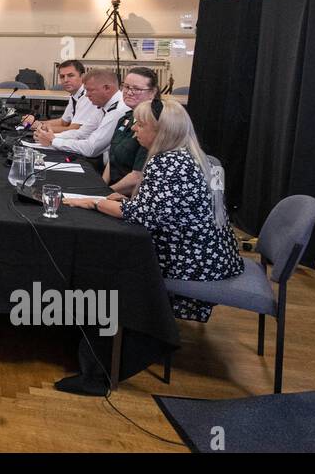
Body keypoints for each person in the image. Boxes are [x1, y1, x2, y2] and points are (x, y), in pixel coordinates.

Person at [67, 98, 243, 323]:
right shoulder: (188, 154)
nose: (133, 128)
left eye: (140, 124)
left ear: (161, 131)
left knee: (105, 255)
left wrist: (95, 203)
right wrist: (126, 201)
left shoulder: (168, 162)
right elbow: (161, 208)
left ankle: (112, 325)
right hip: (215, 255)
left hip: (190, 263)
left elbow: (144, 217)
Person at [33, 68, 125, 171]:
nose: (87, 94)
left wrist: (53, 141)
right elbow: (82, 133)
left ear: (107, 88)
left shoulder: (117, 110)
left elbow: (91, 148)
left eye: (90, 90)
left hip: (111, 169)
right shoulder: (105, 104)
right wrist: (50, 137)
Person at [103, 67, 160, 196]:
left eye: (137, 89)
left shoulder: (153, 125)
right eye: (126, 86)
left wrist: (104, 193)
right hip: (111, 191)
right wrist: (100, 186)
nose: (129, 92)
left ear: (153, 92)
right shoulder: (126, 118)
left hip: (131, 197)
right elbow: (112, 160)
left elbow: (137, 177)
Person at [23, 60, 97, 134]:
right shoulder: (74, 95)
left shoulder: (88, 96)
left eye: (71, 75)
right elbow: (63, 122)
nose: (65, 80)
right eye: (62, 76)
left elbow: (75, 129)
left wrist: (41, 127)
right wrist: (36, 123)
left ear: (83, 76)